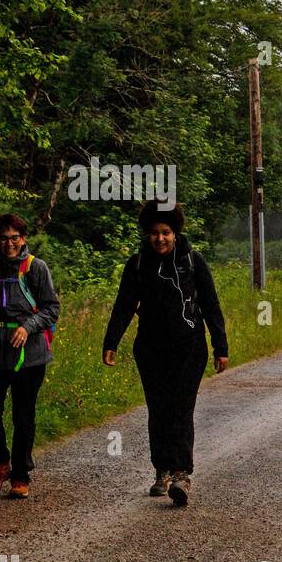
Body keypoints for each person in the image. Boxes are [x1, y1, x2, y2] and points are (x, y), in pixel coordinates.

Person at [102, 202, 228, 506]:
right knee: (158, 411)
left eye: (166, 233)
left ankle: (182, 474)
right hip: (151, 349)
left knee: (181, 410)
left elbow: (211, 306)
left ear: (175, 233)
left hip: (189, 348)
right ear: (147, 235)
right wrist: (111, 342)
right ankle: (161, 470)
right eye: (155, 233)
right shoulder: (137, 265)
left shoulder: (192, 262)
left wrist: (220, 347)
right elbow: (124, 305)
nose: (160, 239)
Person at [0, 214, 61, 498]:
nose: (9, 244)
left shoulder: (35, 268)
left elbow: (51, 308)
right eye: (4, 238)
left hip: (30, 355)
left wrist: (28, 327)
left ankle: (21, 474)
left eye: (15, 238)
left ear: (23, 239)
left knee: (23, 414)